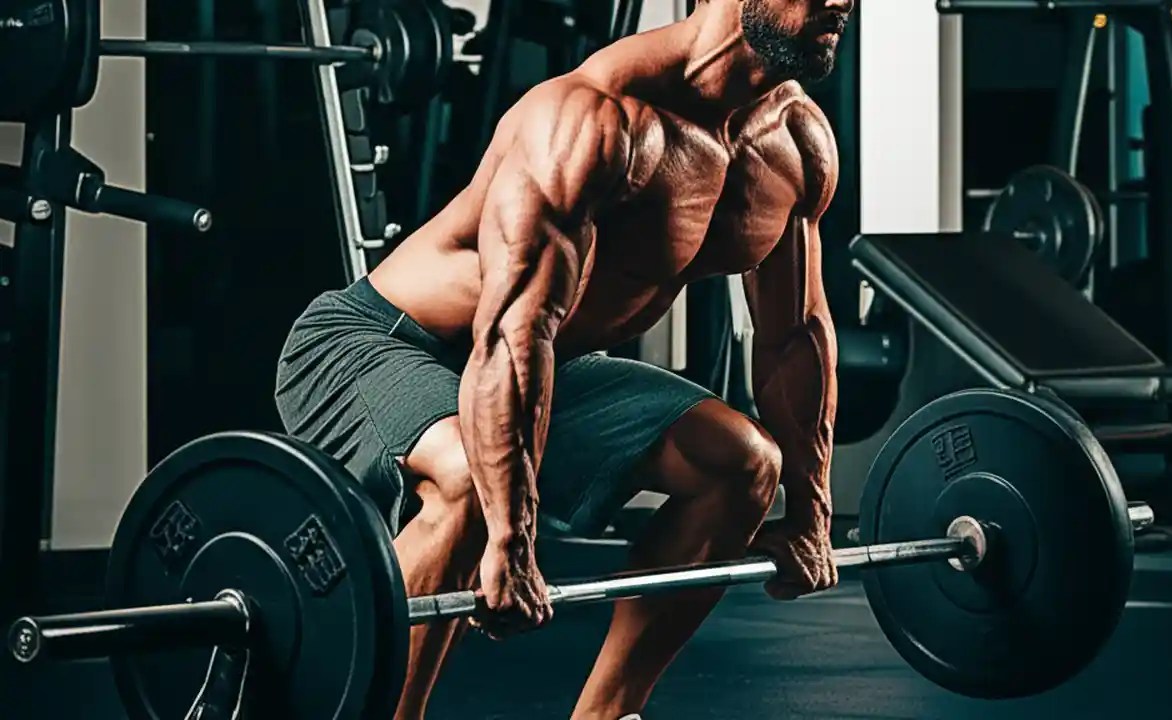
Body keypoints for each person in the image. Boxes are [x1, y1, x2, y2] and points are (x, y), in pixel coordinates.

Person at [274, 0, 850, 716]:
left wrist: (810, 511)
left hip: (551, 358)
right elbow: (511, 333)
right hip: (378, 342)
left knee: (741, 463)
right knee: (469, 484)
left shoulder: (796, 141)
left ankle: (606, 715)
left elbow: (796, 336)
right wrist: (512, 537)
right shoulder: (595, 119)